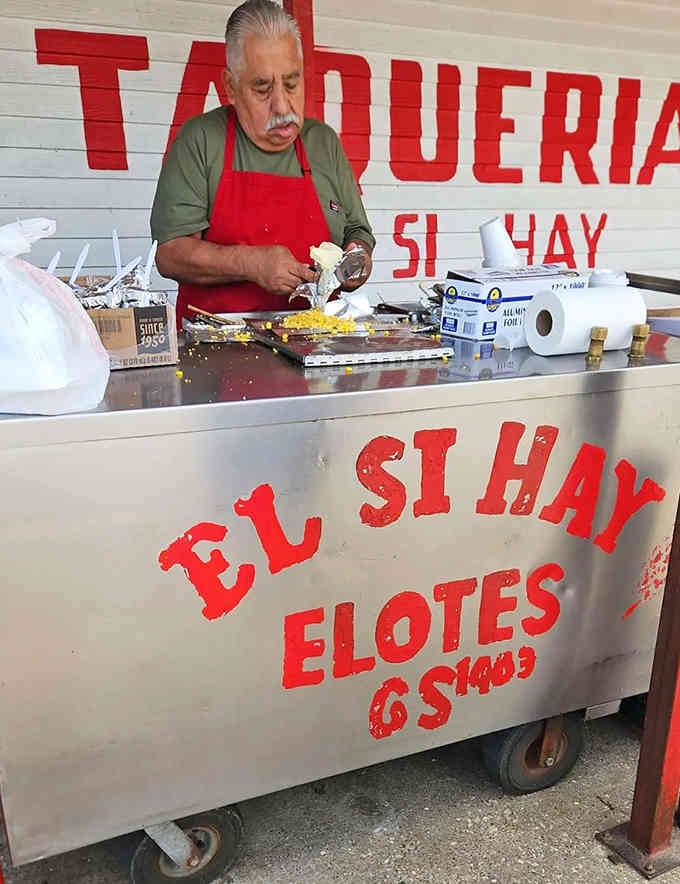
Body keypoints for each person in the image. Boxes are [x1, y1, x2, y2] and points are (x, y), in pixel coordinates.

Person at [151, 0, 375, 326]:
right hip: (216, 348)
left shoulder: (322, 143)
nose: (282, 105)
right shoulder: (201, 140)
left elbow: (357, 231)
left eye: (291, 83)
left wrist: (355, 260)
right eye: (262, 88)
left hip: (316, 340)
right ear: (231, 87)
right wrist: (249, 263)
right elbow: (169, 254)